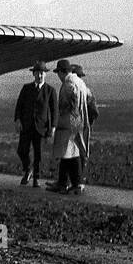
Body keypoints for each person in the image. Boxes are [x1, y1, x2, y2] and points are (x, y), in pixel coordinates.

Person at [47, 59, 88, 195]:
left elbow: (67, 105)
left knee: (68, 153)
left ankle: (71, 183)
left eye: (58, 72)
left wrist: (63, 120)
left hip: (69, 121)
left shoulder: (68, 84)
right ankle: (64, 182)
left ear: (63, 72)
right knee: (69, 153)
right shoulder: (80, 82)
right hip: (78, 121)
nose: (58, 76)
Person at [13, 61, 57, 187]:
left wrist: (52, 128)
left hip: (41, 127)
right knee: (22, 150)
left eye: (42, 73)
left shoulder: (50, 91)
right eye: (38, 73)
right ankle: (28, 169)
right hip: (26, 126)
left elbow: (54, 111)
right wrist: (17, 120)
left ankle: (36, 178)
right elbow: (19, 106)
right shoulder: (26, 88)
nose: (40, 75)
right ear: (34, 74)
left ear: (45, 75)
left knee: (39, 154)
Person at [73, 63, 97, 186]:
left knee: (78, 154)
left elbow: (93, 111)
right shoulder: (86, 91)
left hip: (79, 127)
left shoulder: (83, 91)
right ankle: (78, 181)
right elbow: (94, 112)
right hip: (82, 126)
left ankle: (78, 181)